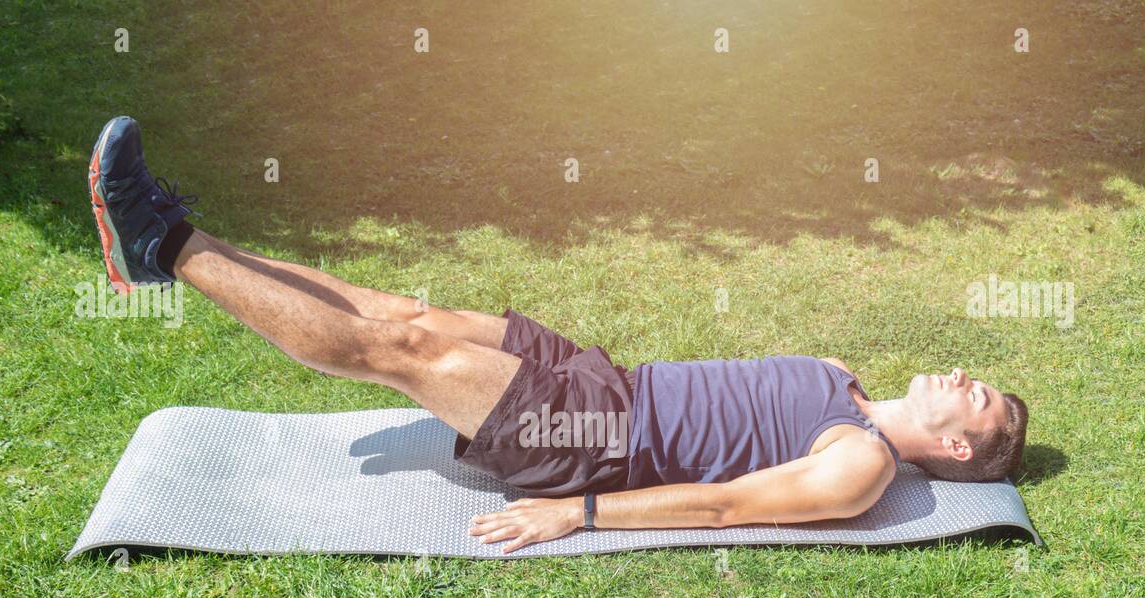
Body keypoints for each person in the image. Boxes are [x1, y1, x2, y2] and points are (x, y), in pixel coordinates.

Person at [89, 117, 1028, 553]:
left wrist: (571, 515)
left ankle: (162, 246)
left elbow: (723, 506)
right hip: (599, 380)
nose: (959, 373)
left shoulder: (858, 463)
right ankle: (177, 233)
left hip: (590, 441)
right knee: (402, 310)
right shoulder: (842, 380)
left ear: (953, 446)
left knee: (399, 354)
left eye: (973, 393)